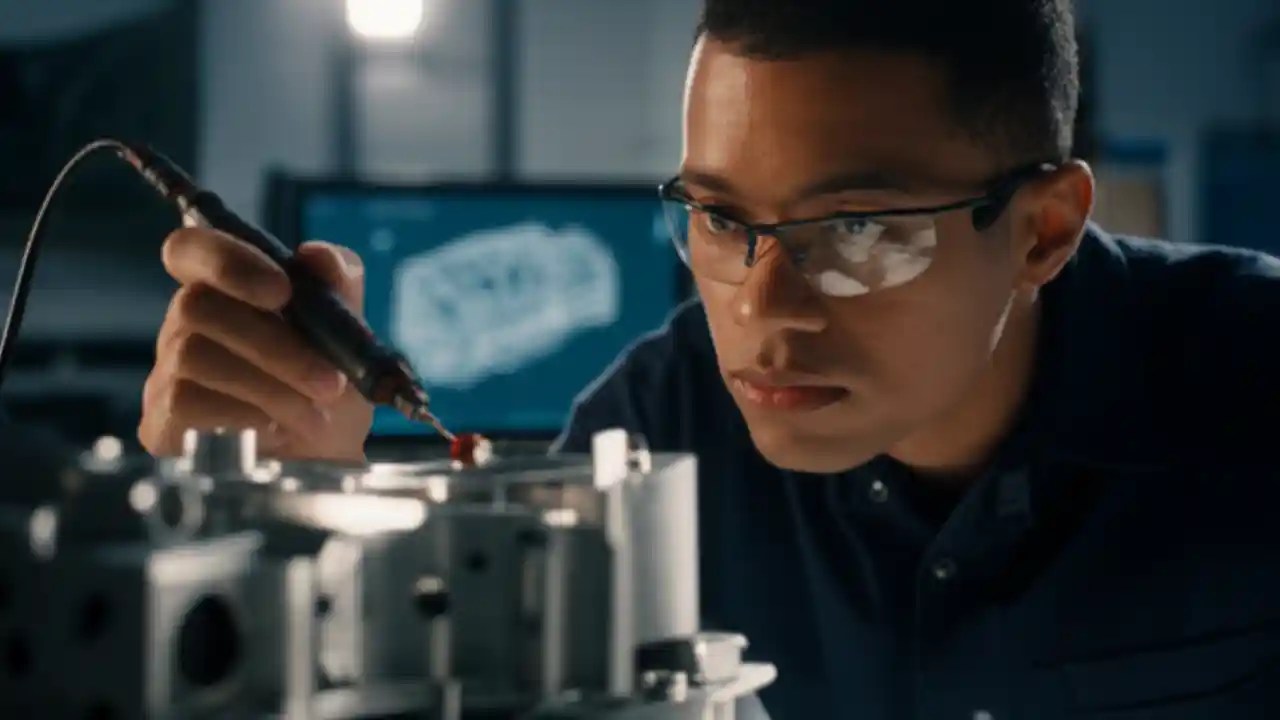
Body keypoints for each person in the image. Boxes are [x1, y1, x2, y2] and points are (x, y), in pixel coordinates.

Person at [138, 0, 1280, 717]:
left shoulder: (1252, 380)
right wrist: (297, 512)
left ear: (1040, 230)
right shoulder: (649, 431)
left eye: (857, 232)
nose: (759, 309)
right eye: (718, 218)